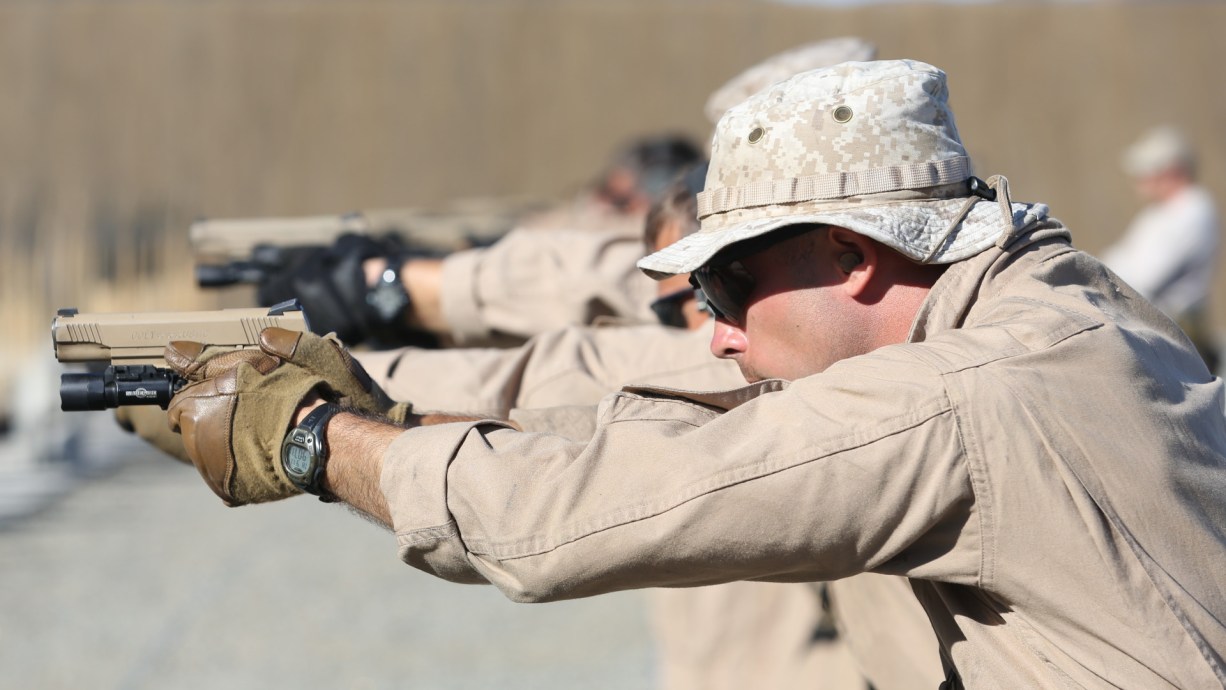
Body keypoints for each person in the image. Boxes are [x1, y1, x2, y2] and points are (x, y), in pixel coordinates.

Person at [160, 59, 1226, 687]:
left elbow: (558, 523)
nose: (710, 331)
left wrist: (313, 436)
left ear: (852, 256)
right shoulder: (1059, 303)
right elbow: (657, 409)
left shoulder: (965, 393)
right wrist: (392, 407)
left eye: (723, 285)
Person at [1101, 125, 1221, 370]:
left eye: (1149, 171)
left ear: (1172, 171)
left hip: (1176, 333)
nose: (1140, 179)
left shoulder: (1193, 209)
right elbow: (1117, 259)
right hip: (1155, 328)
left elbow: (1146, 276)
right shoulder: (1158, 214)